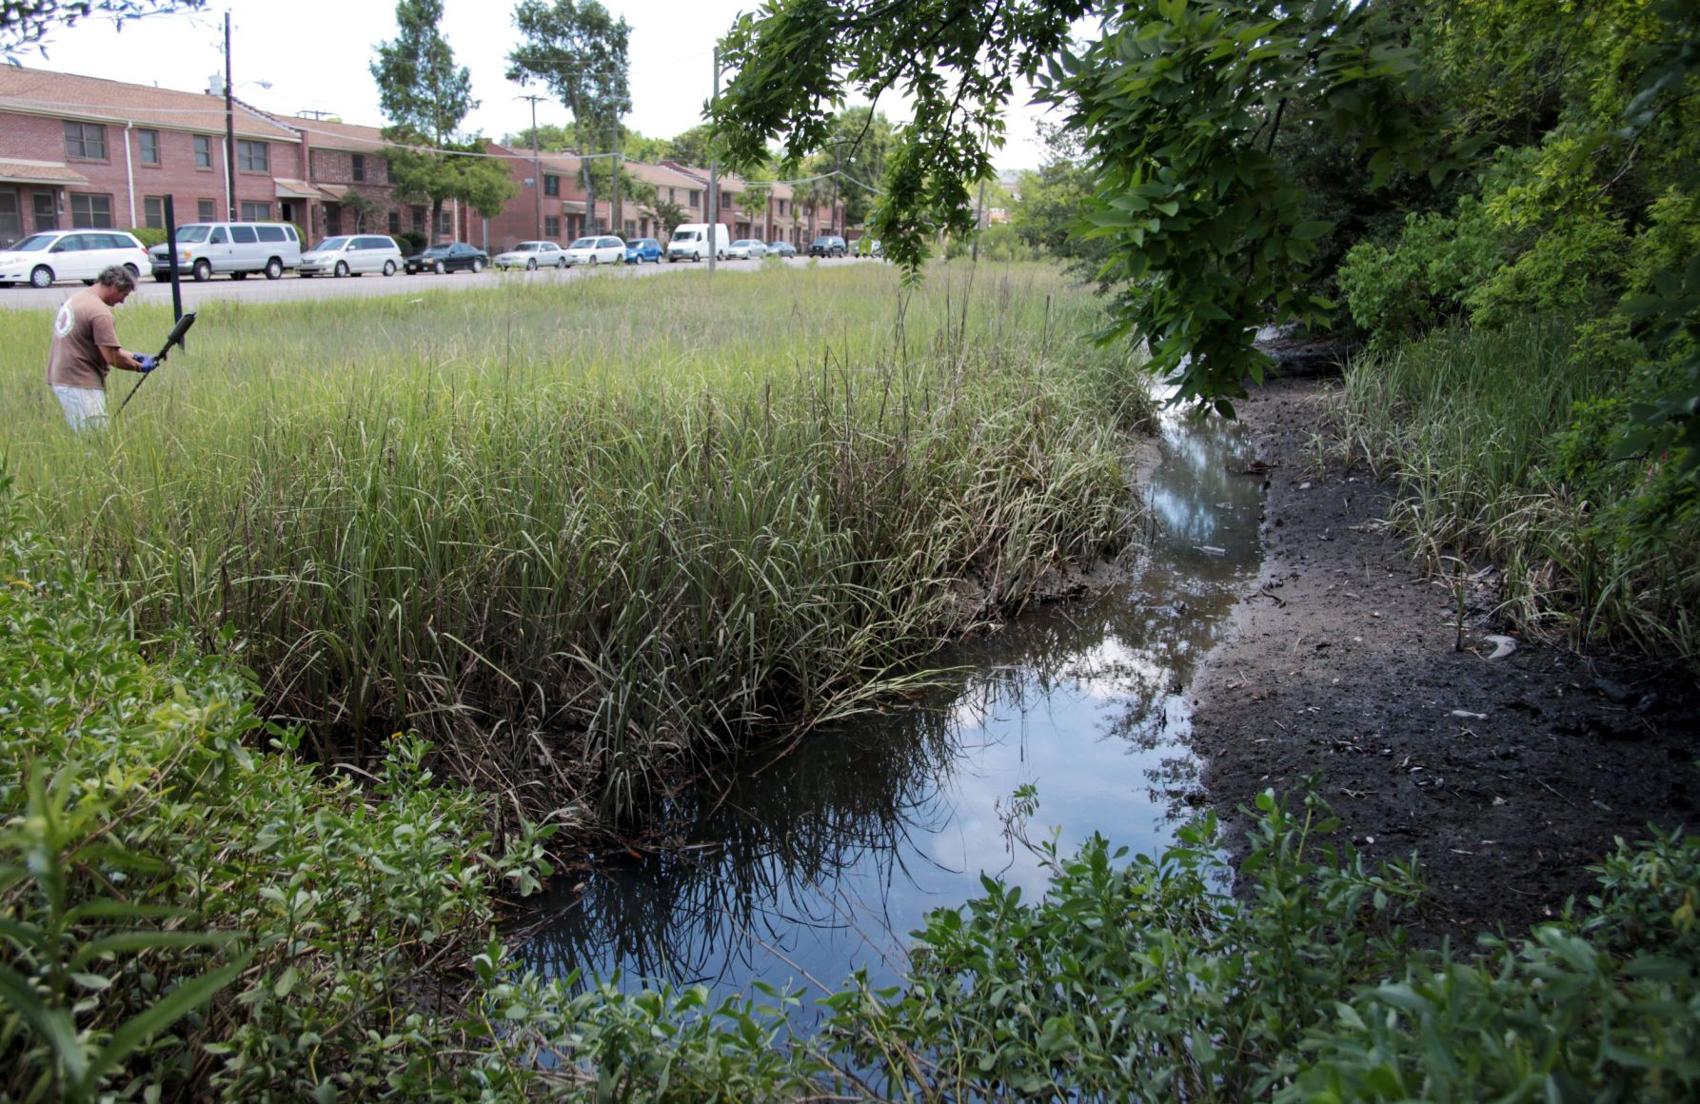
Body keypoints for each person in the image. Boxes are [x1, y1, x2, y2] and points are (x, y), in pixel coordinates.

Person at [45, 264, 157, 430]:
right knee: (96, 440)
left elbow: (93, 346)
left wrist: (133, 355)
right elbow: (112, 357)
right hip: (81, 383)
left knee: (83, 435)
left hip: (62, 378)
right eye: (123, 294)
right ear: (113, 286)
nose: (122, 301)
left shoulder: (77, 299)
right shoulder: (100, 312)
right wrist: (139, 367)